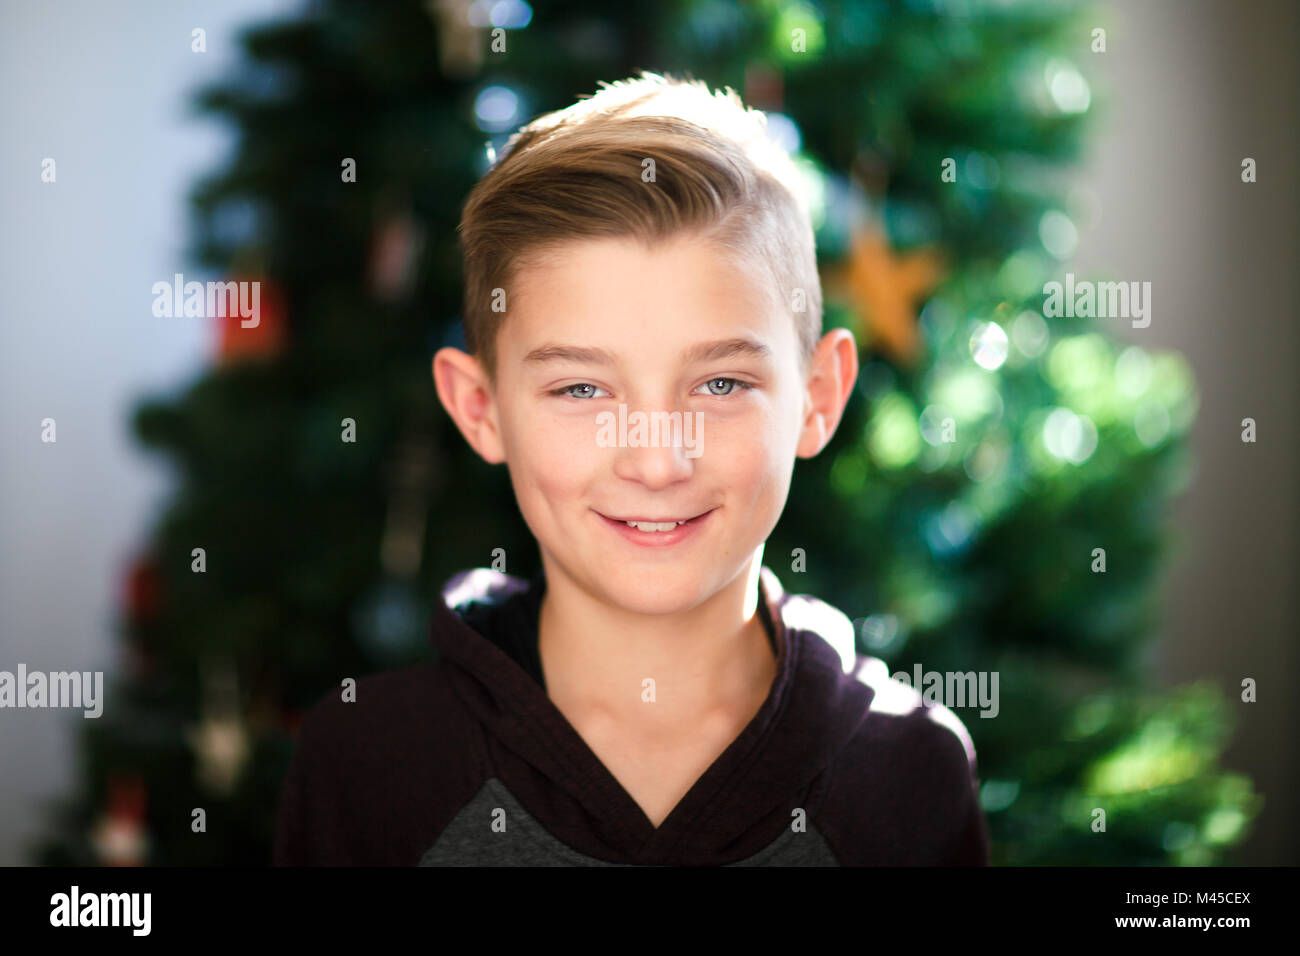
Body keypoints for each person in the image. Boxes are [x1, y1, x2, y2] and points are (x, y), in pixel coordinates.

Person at [273, 71, 990, 866]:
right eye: (581, 388)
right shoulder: (367, 767)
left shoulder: (910, 775)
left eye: (720, 383)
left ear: (819, 397)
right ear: (481, 409)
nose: (656, 460)